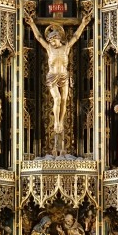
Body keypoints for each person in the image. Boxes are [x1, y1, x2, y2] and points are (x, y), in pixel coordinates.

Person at [27, 9, 91, 156]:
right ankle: (57, 122)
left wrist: (83, 23)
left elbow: (76, 36)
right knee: (56, 98)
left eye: (53, 40)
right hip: (52, 77)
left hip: (64, 76)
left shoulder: (65, 47)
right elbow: (37, 37)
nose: (51, 42)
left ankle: (61, 121)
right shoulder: (49, 49)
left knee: (64, 100)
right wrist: (31, 24)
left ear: (58, 38)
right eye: (50, 41)